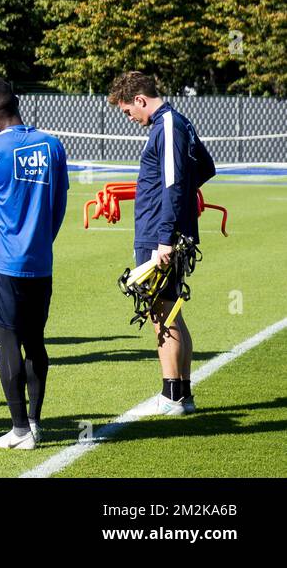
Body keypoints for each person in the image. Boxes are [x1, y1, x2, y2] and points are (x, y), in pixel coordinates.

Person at [0, 79, 67, 448]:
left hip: (2, 262)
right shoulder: (53, 145)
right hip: (40, 260)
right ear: (18, 102)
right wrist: (41, 241)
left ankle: (20, 430)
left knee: (5, 341)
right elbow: (60, 204)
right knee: (35, 341)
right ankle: (34, 423)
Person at [108, 71, 213, 417]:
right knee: (172, 311)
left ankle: (171, 396)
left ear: (140, 100)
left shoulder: (167, 125)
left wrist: (165, 237)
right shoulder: (177, 122)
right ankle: (183, 393)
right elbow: (204, 168)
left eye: (128, 111)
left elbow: (172, 184)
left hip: (160, 235)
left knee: (161, 313)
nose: (129, 118)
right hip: (166, 231)